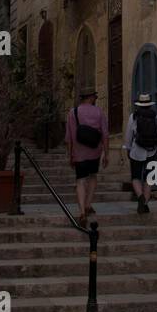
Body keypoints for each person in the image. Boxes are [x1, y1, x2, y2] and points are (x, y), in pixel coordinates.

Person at [66, 88, 108, 222]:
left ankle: (82, 211)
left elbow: (69, 137)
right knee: (93, 177)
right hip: (94, 152)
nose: (95, 99)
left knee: (80, 180)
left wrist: (70, 155)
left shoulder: (73, 113)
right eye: (95, 97)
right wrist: (106, 154)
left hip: (79, 152)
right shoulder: (99, 112)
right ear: (90, 97)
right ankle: (88, 204)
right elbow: (105, 135)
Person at [125, 93, 157, 215]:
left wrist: (128, 148)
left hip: (137, 151)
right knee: (150, 179)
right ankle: (145, 204)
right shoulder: (155, 117)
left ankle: (140, 197)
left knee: (135, 177)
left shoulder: (134, 116)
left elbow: (129, 135)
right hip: (152, 150)